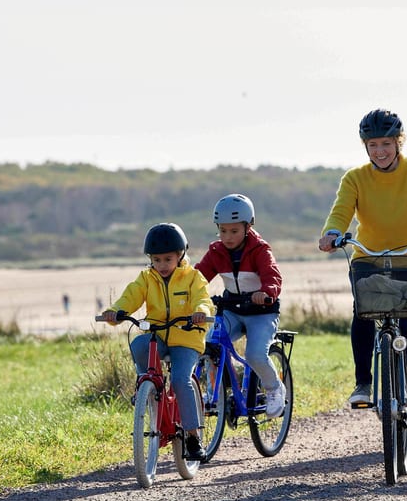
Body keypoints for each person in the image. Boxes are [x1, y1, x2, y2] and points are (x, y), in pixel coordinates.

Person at [318, 108, 407, 440]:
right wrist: (331, 233)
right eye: (373, 144)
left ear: (399, 142)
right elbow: (340, 212)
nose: (380, 151)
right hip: (369, 258)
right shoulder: (355, 178)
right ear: (365, 146)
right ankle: (363, 383)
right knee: (364, 315)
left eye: (386, 143)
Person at [100, 223, 213, 460]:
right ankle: (146, 385)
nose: (162, 265)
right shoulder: (146, 278)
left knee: (182, 381)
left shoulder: (193, 277)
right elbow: (130, 297)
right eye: (157, 259)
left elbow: (203, 299)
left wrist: (200, 311)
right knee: (139, 345)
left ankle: (193, 438)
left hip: (187, 337)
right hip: (158, 334)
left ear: (180, 255)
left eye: (167, 259)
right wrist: (115, 311)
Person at [195, 193, 286, 418]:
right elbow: (197, 278)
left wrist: (265, 293)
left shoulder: (260, 250)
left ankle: (274, 388)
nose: (227, 237)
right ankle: (212, 393)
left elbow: (273, 277)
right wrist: (184, 293)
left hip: (261, 312)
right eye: (223, 230)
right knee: (210, 346)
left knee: (256, 354)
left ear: (248, 226)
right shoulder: (216, 251)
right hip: (232, 310)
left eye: (234, 231)